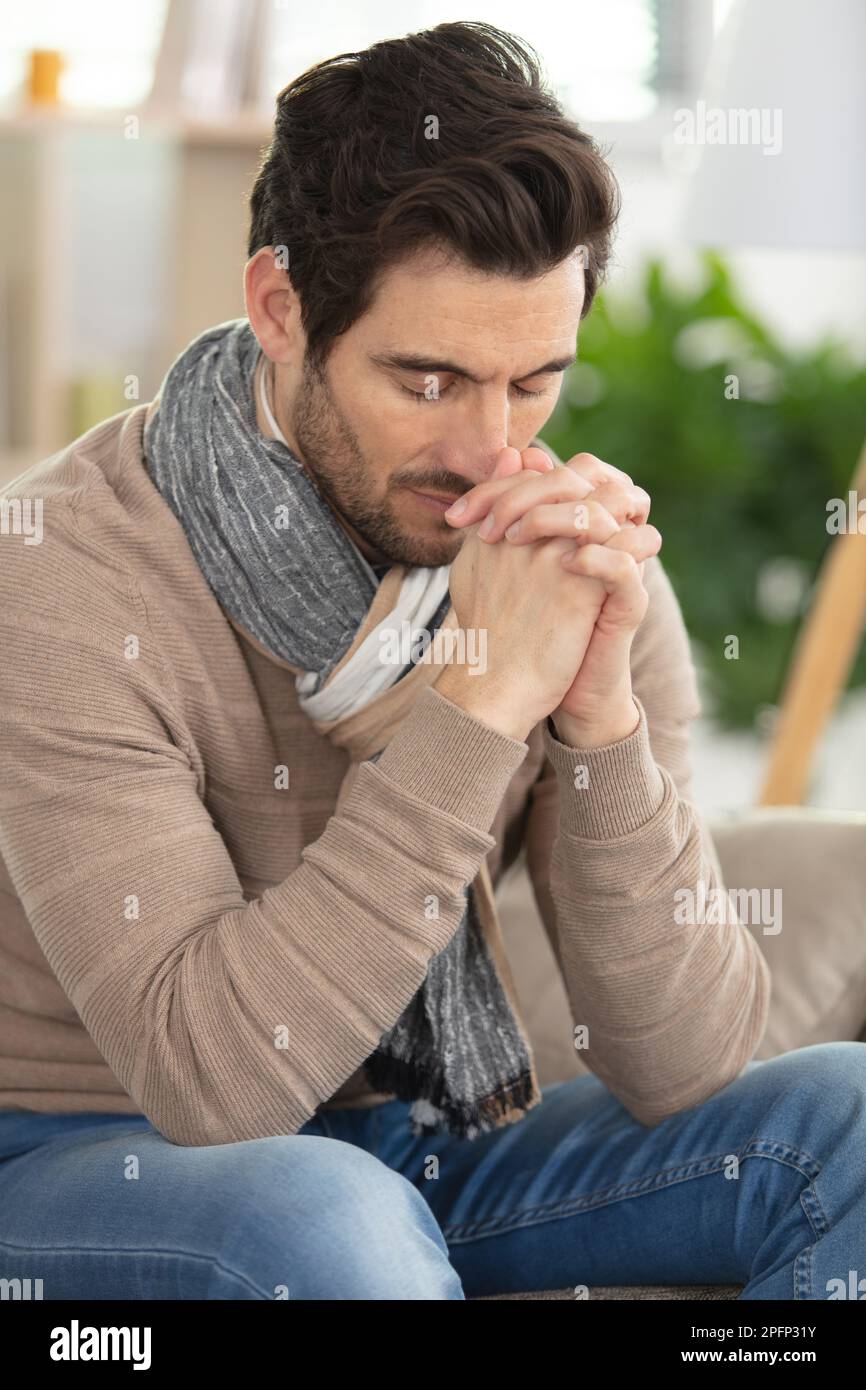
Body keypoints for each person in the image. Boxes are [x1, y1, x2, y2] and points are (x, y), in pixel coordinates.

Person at [0, 21, 863, 1302]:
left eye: (534, 381)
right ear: (281, 309)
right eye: (427, 381)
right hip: (78, 1152)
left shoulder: (557, 566)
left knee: (845, 1121)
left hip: (416, 1137)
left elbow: (683, 1064)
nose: (485, 453)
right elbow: (210, 1084)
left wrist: (597, 721)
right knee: (318, 1213)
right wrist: (481, 702)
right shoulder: (65, 577)